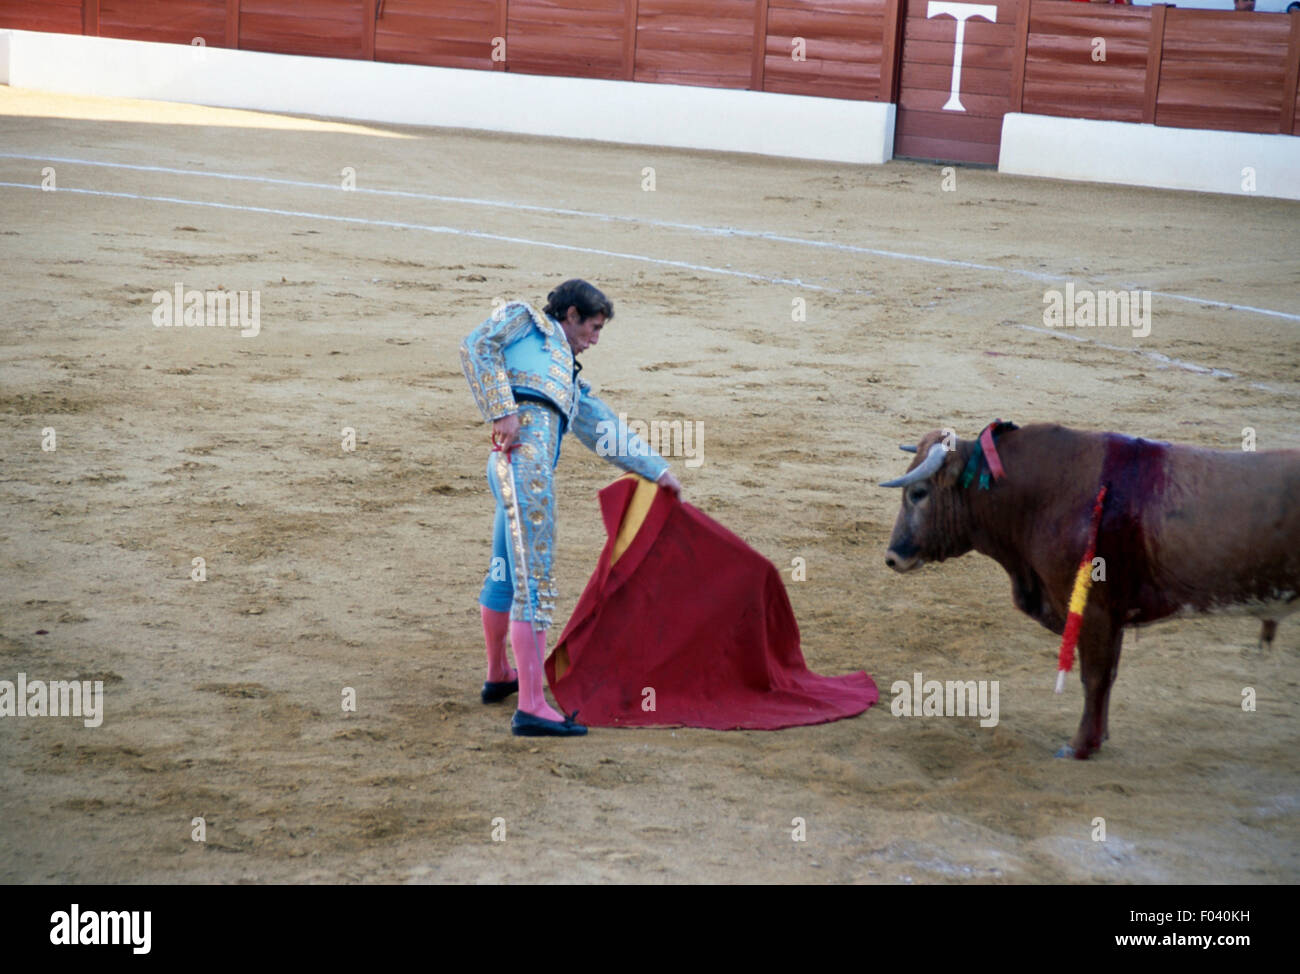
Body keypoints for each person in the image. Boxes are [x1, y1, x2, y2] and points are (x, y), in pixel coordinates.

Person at [460, 279, 683, 737]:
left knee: (505, 569)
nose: (595, 339)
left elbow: (600, 425)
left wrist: (657, 470)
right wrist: (501, 410)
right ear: (571, 314)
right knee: (534, 582)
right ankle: (532, 705)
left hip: (512, 467)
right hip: (527, 469)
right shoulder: (527, 321)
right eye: (594, 327)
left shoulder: (567, 373)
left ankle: (499, 673)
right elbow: (476, 344)